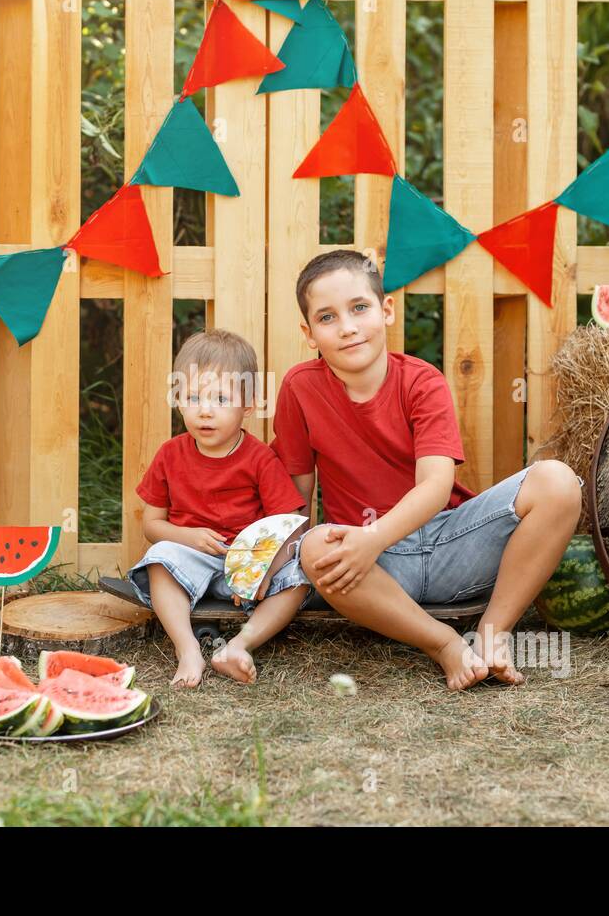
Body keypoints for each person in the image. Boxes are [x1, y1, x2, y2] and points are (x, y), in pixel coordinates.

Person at [270, 250, 584, 690]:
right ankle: (444, 644)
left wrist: (371, 538)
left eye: (359, 308)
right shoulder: (300, 389)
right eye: (327, 317)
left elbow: (436, 488)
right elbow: (296, 499)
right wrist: (283, 567)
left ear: (387, 310)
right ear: (308, 333)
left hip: (448, 544)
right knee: (315, 545)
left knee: (559, 481)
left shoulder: (422, 381)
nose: (348, 327)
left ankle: (492, 636)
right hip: (375, 570)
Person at [127, 329, 311, 688]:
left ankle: (240, 645)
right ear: (178, 400)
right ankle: (187, 647)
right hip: (190, 559)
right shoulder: (170, 454)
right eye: (193, 397)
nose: (205, 410)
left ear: (248, 405)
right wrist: (187, 537)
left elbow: (290, 527)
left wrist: (261, 570)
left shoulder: (260, 458)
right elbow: (152, 524)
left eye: (220, 399)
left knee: (299, 577)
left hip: (248, 566)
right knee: (159, 557)